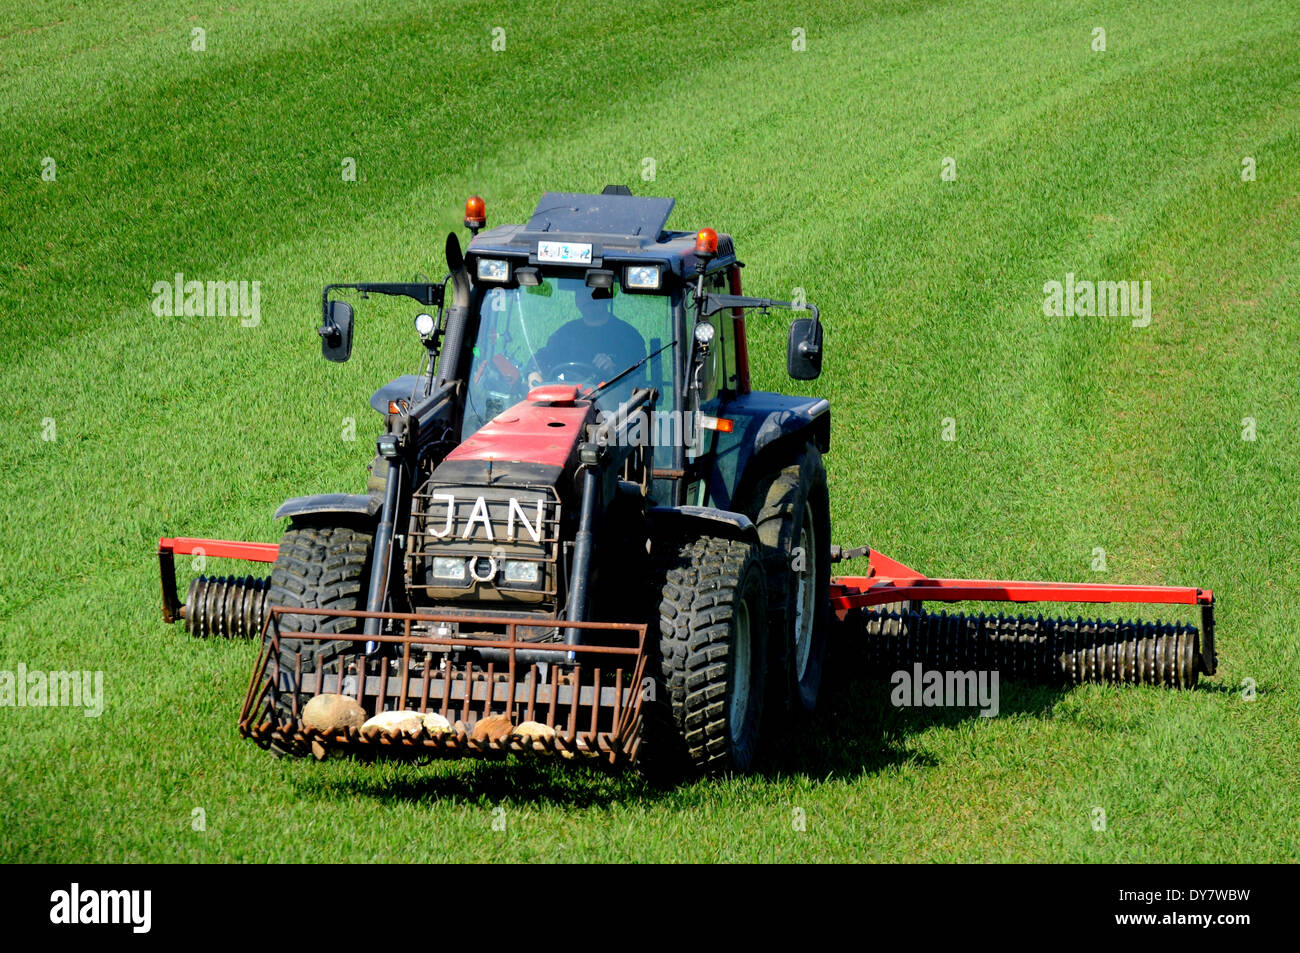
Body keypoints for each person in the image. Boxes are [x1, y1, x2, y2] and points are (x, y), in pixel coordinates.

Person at [525, 293, 645, 390]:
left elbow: (637, 376)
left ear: (607, 298)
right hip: (567, 404)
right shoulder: (566, 334)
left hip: (612, 410)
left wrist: (614, 369)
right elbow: (544, 356)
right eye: (582, 293)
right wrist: (533, 373)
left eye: (594, 291)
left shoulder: (628, 335)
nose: (588, 298)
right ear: (577, 301)